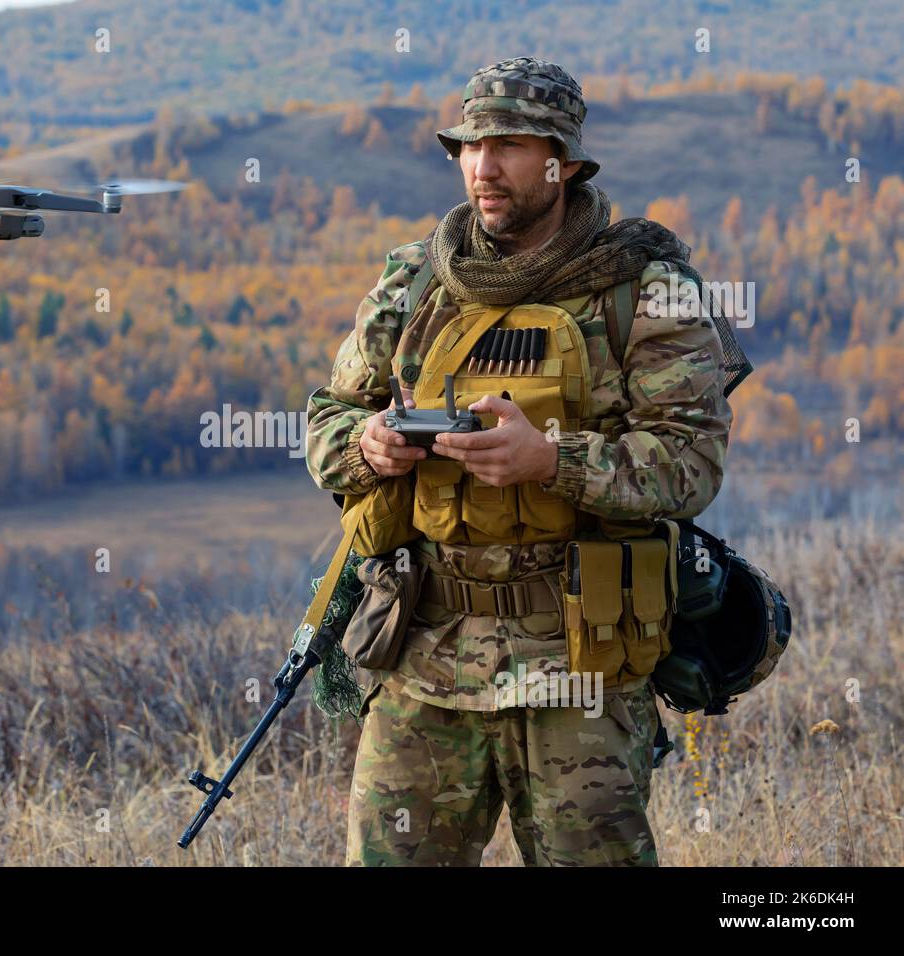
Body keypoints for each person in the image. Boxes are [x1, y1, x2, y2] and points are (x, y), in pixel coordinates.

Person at [304, 56, 735, 866]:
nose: (482, 167)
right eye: (468, 145)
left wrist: (552, 461)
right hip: (423, 658)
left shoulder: (642, 287)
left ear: (563, 162)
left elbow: (692, 463)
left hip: (580, 666)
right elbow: (327, 420)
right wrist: (369, 445)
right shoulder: (416, 283)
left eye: (508, 145)